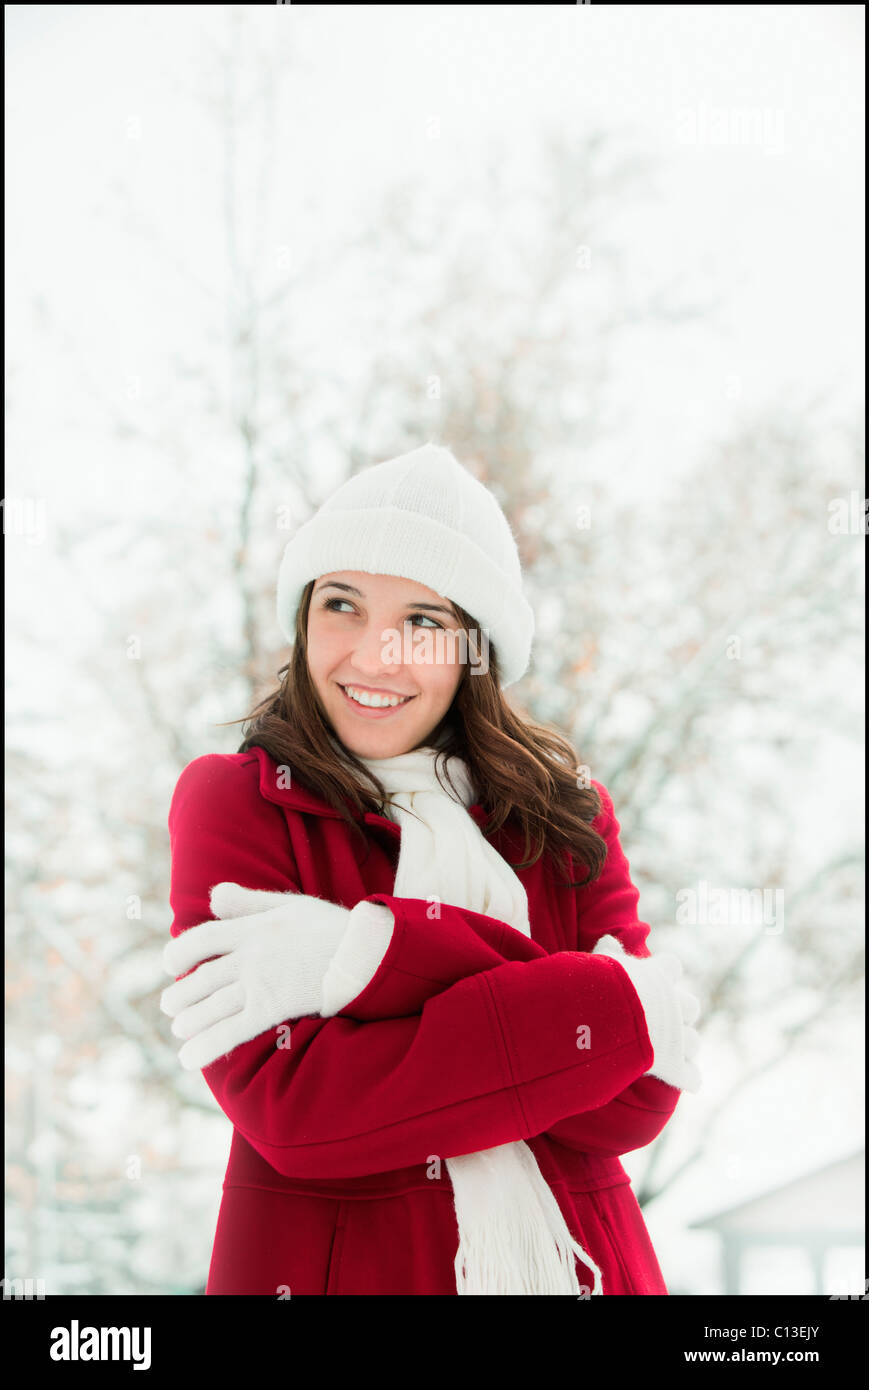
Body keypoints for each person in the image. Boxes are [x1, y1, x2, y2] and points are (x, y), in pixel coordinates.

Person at [160, 441, 702, 1296]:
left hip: (582, 1268)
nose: (374, 656)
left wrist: (363, 959)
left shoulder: (568, 816)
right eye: (342, 604)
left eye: (421, 620)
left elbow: (633, 1097)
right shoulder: (235, 803)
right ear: (303, 618)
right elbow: (296, 1113)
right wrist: (585, 1005)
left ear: (475, 650)